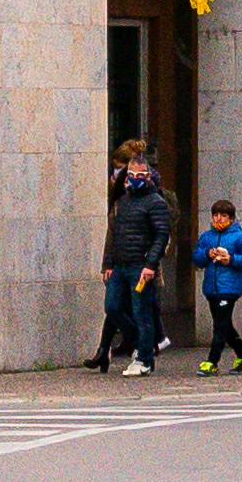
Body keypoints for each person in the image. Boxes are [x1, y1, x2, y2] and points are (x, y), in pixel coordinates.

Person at [100, 144, 177, 373]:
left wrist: (150, 264)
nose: (135, 180)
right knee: (112, 308)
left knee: (141, 311)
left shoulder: (156, 202)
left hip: (140, 266)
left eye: (140, 176)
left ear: (149, 176)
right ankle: (141, 340)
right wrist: (109, 263)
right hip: (120, 265)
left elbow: (161, 235)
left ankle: (144, 359)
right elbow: (115, 234)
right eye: (131, 176)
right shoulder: (122, 202)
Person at [194, 197, 242, 376]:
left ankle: (212, 361)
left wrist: (231, 260)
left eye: (223, 215)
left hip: (229, 288)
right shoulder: (207, 237)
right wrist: (207, 253)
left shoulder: (239, 237)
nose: (218, 219)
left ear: (231, 218)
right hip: (211, 288)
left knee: (220, 326)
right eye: (215, 215)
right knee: (224, 325)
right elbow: (197, 258)